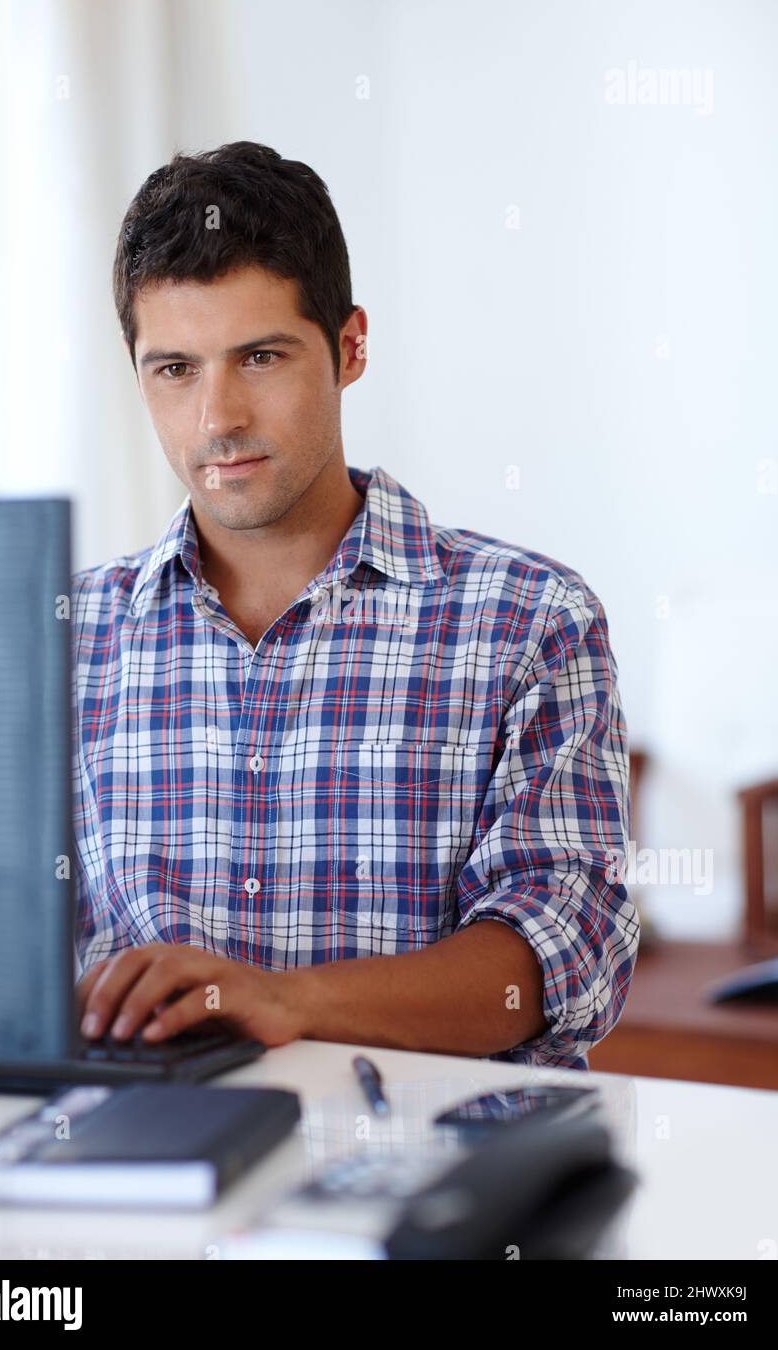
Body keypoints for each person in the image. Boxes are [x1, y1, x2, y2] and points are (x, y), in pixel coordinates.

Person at [72, 141, 639, 1069]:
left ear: (349, 347)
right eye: (174, 369)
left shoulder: (530, 622)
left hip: (436, 1178)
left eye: (259, 356)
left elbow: (560, 955)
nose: (217, 418)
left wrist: (280, 1002)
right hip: (152, 1174)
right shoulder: (74, 637)